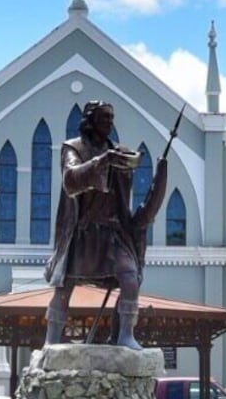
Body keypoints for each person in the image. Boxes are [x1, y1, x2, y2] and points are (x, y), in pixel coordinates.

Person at [42, 101, 171, 350]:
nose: (109, 123)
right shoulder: (74, 148)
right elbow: (71, 180)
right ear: (90, 121)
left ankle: (125, 335)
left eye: (111, 118)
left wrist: (155, 171)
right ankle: (51, 339)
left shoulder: (118, 151)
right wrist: (103, 161)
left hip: (113, 233)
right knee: (64, 287)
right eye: (104, 118)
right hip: (82, 233)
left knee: (130, 278)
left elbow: (129, 199)